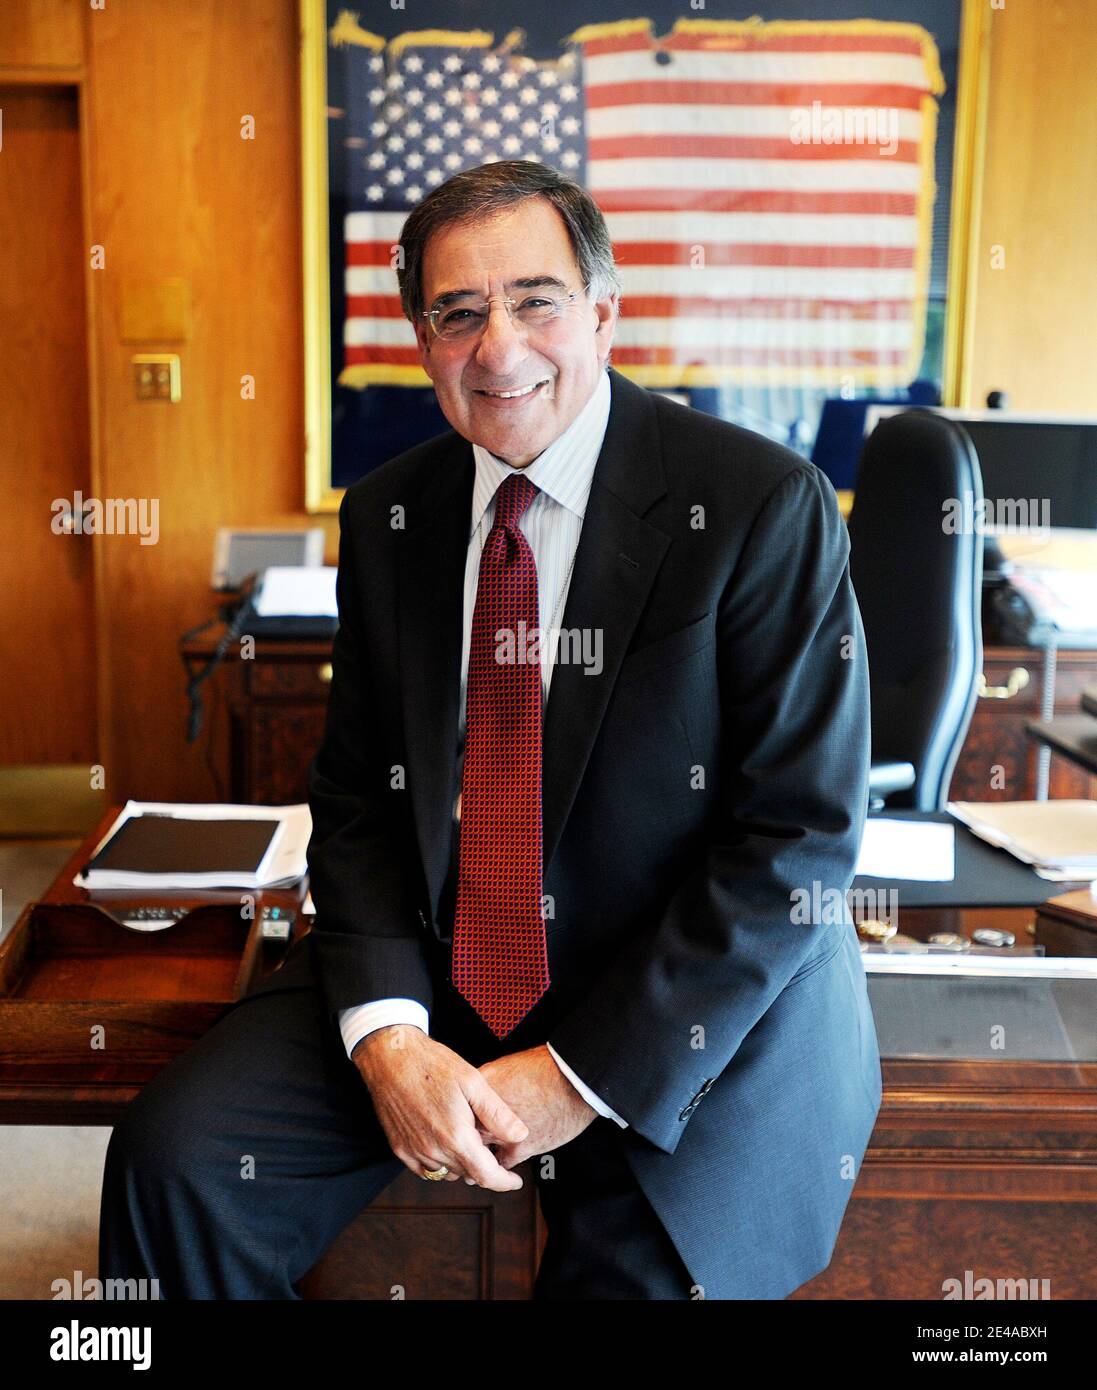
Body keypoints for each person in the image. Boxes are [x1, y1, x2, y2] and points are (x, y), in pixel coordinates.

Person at [100, 160, 881, 1300]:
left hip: (686, 993)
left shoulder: (759, 504)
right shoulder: (389, 516)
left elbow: (795, 844)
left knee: (637, 1278)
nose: (498, 349)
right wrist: (388, 1038)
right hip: (448, 958)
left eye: (534, 300)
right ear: (421, 341)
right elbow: (360, 798)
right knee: (177, 1162)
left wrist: (574, 1076)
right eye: (456, 314)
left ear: (602, 311)